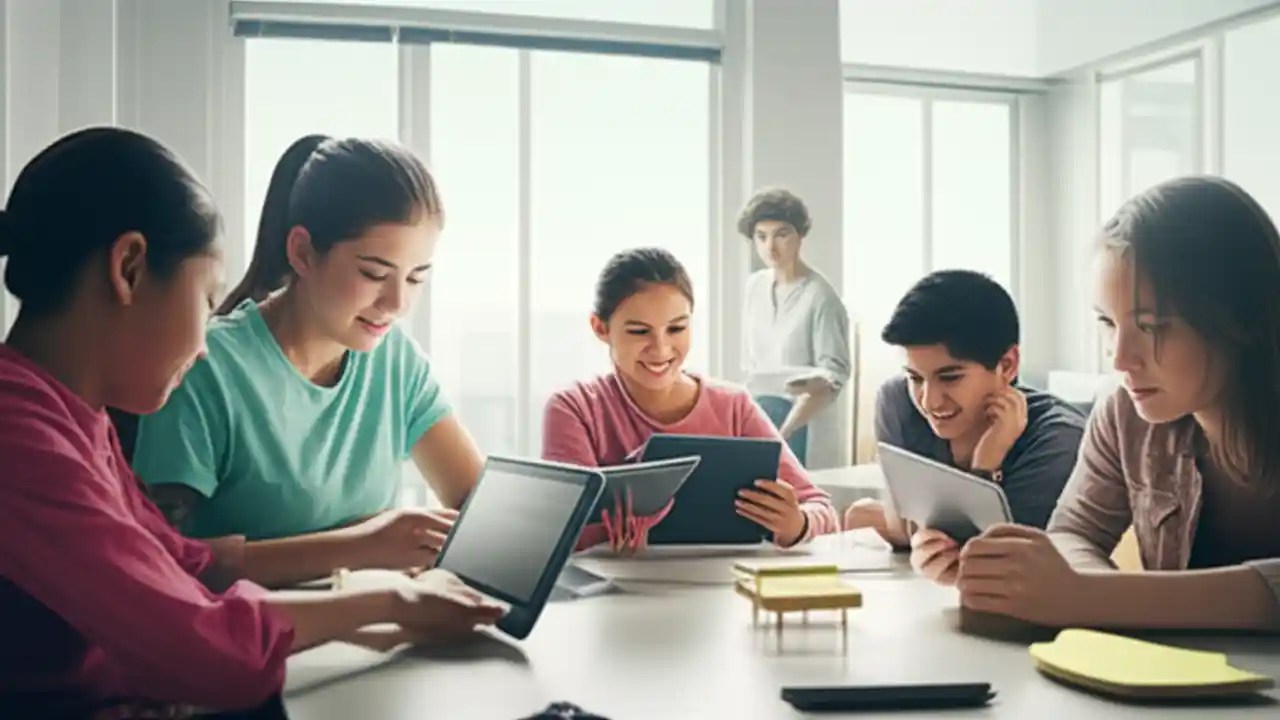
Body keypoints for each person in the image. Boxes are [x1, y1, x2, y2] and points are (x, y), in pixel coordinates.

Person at [0, 128, 502, 716]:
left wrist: (376, 611)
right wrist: (388, 603)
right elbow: (199, 648)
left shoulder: (74, 418)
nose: (206, 343)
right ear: (130, 269)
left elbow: (181, 565)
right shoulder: (19, 436)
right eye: (207, 299)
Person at [127, 135, 485, 581]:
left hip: (379, 626)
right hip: (249, 637)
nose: (396, 303)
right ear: (302, 252)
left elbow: (477, 503)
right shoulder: (205, 367)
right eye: (373, 273)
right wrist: (361, 546)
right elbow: (156, 562)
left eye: (415, 279)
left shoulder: (396, 360)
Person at [934, 177, 1280, 630]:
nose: (1119, 357)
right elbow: (1073, 534)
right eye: (1107, 322)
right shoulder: (1124, 415)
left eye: (1153, 326)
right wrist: (1051, 587)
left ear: (1243, 317)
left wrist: (1089, 596)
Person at [542, 247, 839, 552]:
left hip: (722, 590)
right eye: (639, 331)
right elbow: (563, 531)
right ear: (601, 328)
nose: (661, 349)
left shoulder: (733, 405)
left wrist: (797, 524)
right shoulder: (574, 408)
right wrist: (626, 517)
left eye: (676, 328)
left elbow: (823, 511)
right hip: (616, 592)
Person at [845, 270, 1086, 558]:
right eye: (916, 378)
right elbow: (905, 526)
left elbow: (996, 559)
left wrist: (985, 464)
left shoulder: (1058, 439)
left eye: (950, 377)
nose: (929, 401)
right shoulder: (897, 401)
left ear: (1007, 366)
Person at [739, 188, 851, 469]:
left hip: (805, 422)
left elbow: (834, 376)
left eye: (782, 234)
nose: (771, 247)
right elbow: (754, 367)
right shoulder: (755, 287)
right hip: (762, 416)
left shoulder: (821, 297)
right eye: (761, 237)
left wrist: (783, 433)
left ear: (800, 235)